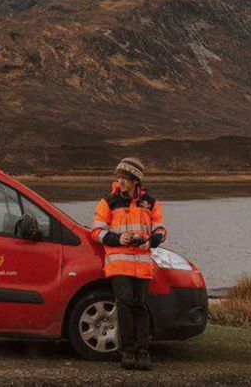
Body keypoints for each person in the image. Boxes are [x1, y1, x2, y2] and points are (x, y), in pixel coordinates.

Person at [90, 157, 167, 371]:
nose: (121, 181)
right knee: (124, 305)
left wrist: (153, 240)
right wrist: (117, 239)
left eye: (125, 178)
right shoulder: (108, 202)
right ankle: (127, 352)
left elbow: (160, 229)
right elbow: (96, 231)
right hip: (119, 264)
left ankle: (143, 352)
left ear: (135, 180)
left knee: (140, 306)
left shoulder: (150, 202)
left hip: (142, 265)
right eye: (119, 177)